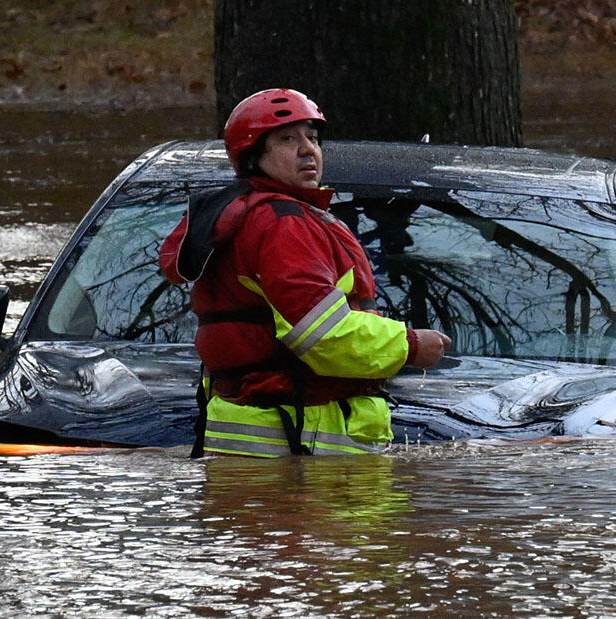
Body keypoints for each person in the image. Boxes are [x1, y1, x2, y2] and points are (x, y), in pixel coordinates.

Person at [159, 88, 451, 457]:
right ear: (252, 155)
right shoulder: (283, 226)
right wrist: (409, 345)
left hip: (262, 446)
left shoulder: (251, 216)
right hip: (300, 444)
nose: (307, 149)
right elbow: (321, 334)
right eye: (287, 139)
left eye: (312, 138)